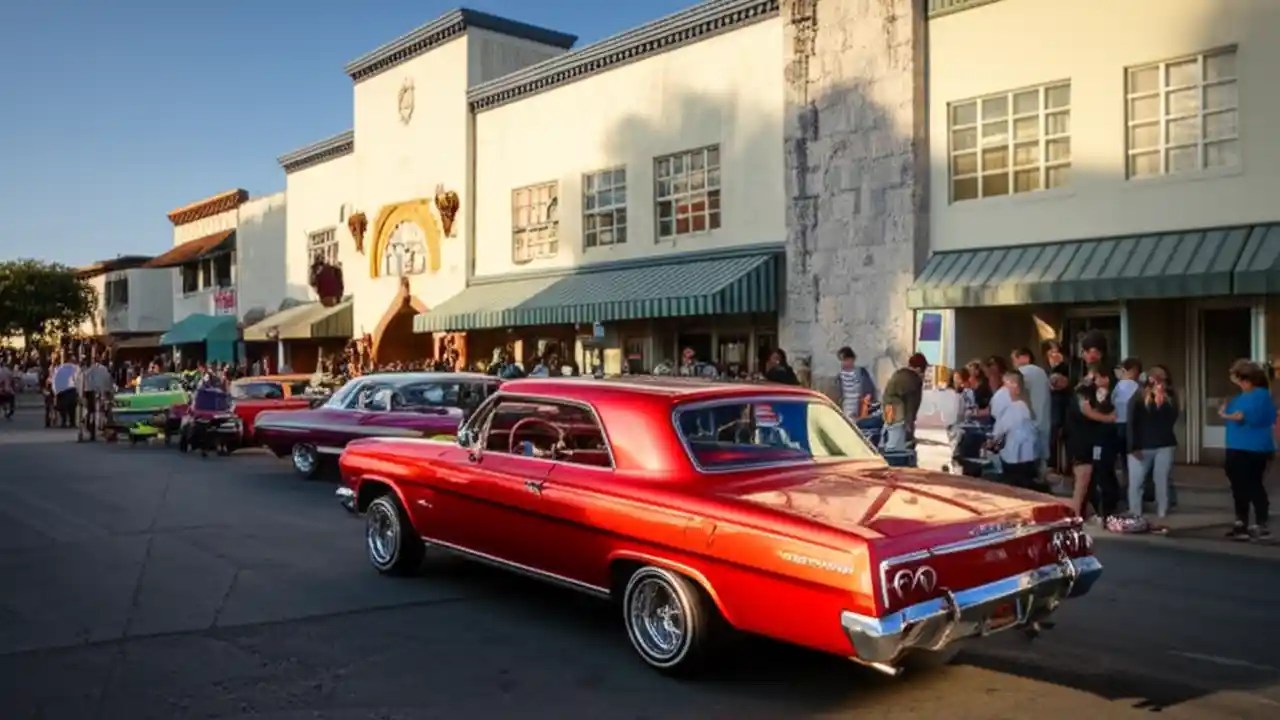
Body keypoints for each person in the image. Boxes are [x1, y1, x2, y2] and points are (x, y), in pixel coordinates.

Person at [1220, 359, 1274, 540]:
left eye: (1236, 377)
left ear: (1245, 379)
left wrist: (1225, 414)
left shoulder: (1259, 396)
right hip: (1237, 445)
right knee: (1238, 486)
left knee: (1252, 485)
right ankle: (1241, 522)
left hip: (1251, 447)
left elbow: (1243, 416)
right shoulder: (1242, 396)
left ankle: (1260, 523)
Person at [1067, 364, 1117, 518]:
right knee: (1082, 480)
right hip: (1080, 440)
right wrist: (1108, 419)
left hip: (1094, 440)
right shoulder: (1082, 391)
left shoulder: (1101, 394)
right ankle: (1074, 514)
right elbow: (1087, 411)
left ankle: (1085, 511)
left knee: (1091, 480)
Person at [1126, 370, 1177, 519]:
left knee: (1161, 479)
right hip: (1142, 445)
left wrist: (1161, 402)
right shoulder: (1137, 398)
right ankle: (1135, 511)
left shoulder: (1169, 399)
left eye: (1161, 381)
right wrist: (1132, 447)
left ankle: (1162, 510)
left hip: (1164, 444)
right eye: (1155, 381)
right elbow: (1131, 423)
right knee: (1136, 481)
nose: (1159, 385)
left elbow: (1172, 418)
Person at [990, 371, 1044, 491]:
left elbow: (1001, 425)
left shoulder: (1017, 406)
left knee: (1016, 484)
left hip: (1015, 454)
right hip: (1025, 452)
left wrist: (994, 439)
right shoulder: (1023, 404)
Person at [1012, 347, 1051, 470]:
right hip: (1044, 421)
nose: (1014, 363)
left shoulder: (1022, 373)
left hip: (1027, 423)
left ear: (1024, 357)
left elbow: (1017, 396)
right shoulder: (1042, 372)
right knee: (1041, 463)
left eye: (1014, 359)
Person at [882, 353, 927, 451]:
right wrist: (909, 425)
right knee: (898, 440)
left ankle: (888, 452)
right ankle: (896, 459)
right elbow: (912, 405)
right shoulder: (914, 380)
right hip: (899, 412)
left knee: (891, 431)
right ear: (919, 369)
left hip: (888, 408)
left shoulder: (898, 374)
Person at [836, 347, 876, 419]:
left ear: (852, 359)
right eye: (842, 360)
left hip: (860, 407)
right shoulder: (840, 377)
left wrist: (865, 404)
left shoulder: (861, 373)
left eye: (846, 360)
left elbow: (869, 391)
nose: (844, 363)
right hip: (846, 408)